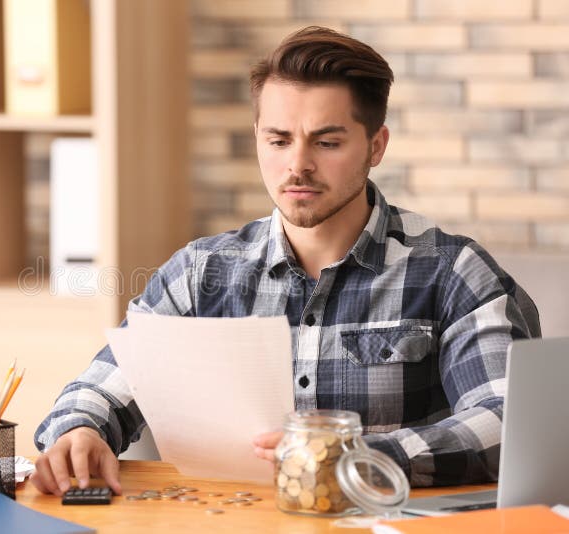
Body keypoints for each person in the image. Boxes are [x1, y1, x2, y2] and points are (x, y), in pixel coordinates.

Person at [32, 26, 540, 496]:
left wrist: (351, 458)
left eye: (327, 142)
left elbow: (508, 422)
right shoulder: (200, 274)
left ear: (376, 146)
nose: (297, 165)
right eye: (278, 140)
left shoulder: (453, 273)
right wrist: (79, 429)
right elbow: (103, 386)